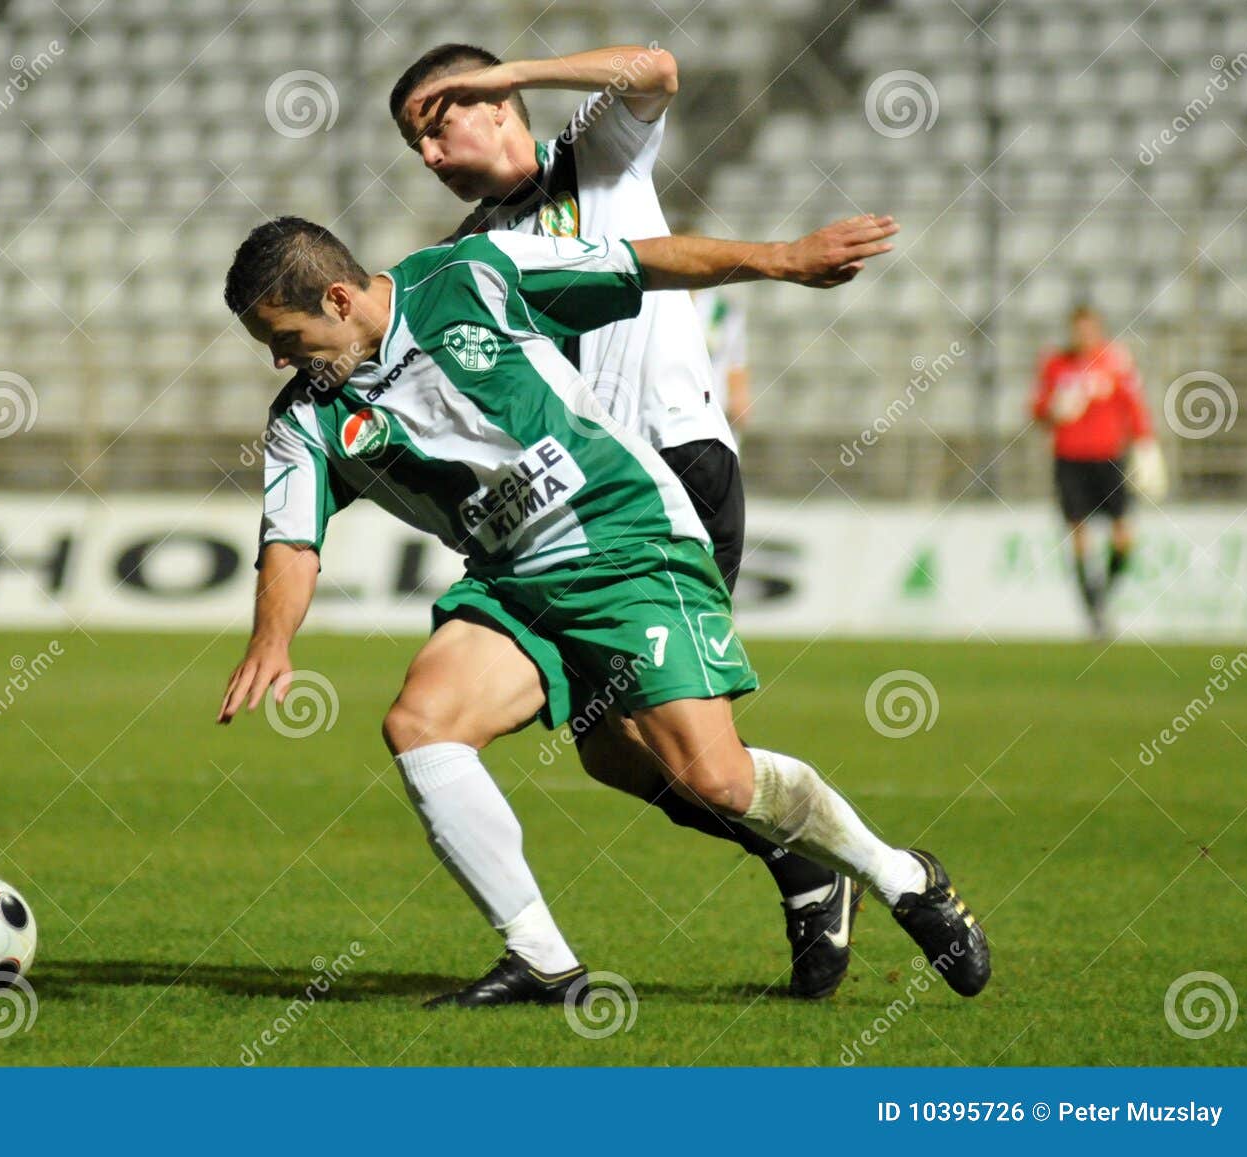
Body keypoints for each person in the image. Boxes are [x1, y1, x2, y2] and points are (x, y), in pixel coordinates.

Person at [217, 217, 992, 1006]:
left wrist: (781, 258)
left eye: (285, 337)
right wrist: (271, 641)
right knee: (427, 724)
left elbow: (638, 263)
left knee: (713, 776)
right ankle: (542, 960)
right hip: (512, 580)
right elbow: (291, 540)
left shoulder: (470, 277)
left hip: (623, 537)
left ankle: (902, 877)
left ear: (339, 298)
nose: (280, 360)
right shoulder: (303, 419)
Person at [388, 42, 901, 1000]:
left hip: (674, 467)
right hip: (580, 504)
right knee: (612, 752)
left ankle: (851, 865)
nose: (427, 155)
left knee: (677, 752)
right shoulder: (471, 252)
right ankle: (802, 861)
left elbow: (656, 68)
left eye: (435, 126)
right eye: (414, 145)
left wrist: (513, 72)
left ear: (492, 104)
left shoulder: (593, 158)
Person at [1031, 305, 1157, 636]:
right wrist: (1053, 409)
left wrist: (1145, 444)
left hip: (1108, 457)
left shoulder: (1116, 361)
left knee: (1123, 532)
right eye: (1079, 330)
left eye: (1089, 329)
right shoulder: (1056, 364)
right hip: (1070, 458)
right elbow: (1037, 409)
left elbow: (1134, 404)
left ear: (1098, 330)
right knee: (1078, 530)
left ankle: (1102, 594)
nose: (1083, 336)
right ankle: (1092, 605)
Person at [693, 287, 751, 430]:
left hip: (713, 411)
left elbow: (736, 361)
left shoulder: (721, 307)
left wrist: (739, 394)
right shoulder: (659, 302)